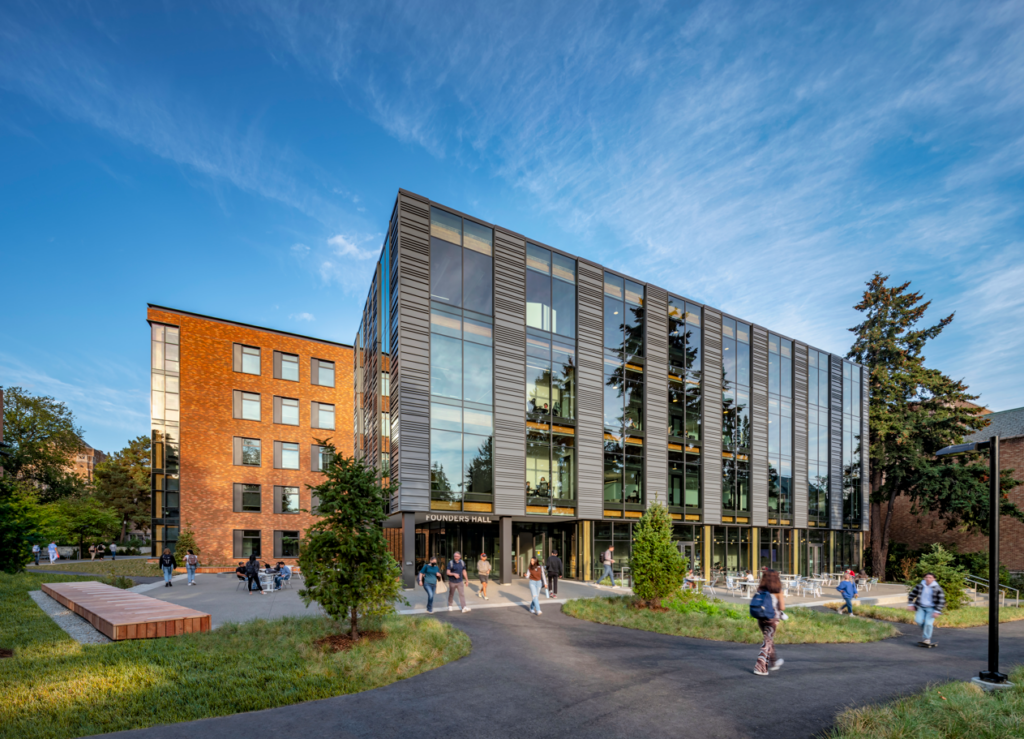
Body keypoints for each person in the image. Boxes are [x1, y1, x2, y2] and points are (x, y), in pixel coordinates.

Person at [753, 569, 786, 676]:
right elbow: (782, 607)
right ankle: (760, 667)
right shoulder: (778, 590)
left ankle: (774, 662)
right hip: (772, 619)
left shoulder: (761, 589)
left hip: (761, 617)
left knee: (768, 640)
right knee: (767, 641)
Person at [907, 572, 946, 645]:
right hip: (920, 607)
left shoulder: (937, 588)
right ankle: (928, 629)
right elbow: (912, 595)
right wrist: (910, 604)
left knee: (928, 623)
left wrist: (937, 611)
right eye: (926, 577)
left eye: (930, 578)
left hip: (931, 608)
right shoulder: (920, 586)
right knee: (918, 621)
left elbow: (941, 600)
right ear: (924, 578)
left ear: (934, 579)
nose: (928, 579)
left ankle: (927, 638)